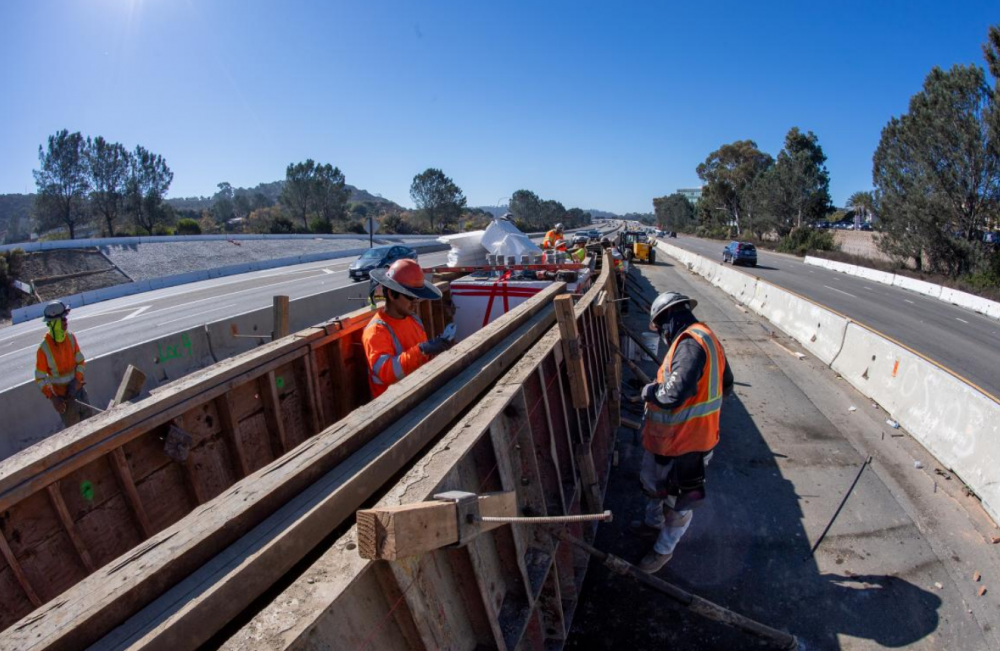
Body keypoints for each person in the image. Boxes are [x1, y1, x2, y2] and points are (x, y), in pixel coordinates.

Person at [630, 292, 733, 573]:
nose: (662, 335)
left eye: (661, 328)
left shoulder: (690, 344)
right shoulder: (707, 337)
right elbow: (727, 385)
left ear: (669, 318)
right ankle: (653, 527)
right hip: (669, 440)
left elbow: (674, 393)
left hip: (687, 444)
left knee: (678, 503)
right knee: (653, 486)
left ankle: (663, 551)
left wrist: (651, 391)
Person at [362, 259, 456, 399]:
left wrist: (435, 349)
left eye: (417, 297)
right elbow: (386, 373)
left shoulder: (413, 318)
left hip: (416, 392)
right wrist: (423, 349)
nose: (415, 302)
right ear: (391, 295)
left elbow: (419, 359)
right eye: (410, 297)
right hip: (391, 405)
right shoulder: (376, 331)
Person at [35, 301, 94, 428]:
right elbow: (40, 378)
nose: (66, 320)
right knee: (75, 435)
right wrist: (53, 398)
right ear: (54, 322)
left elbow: (80, 362)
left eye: (66, 317)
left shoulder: (71, 338)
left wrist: (77, 380)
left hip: (80, 392)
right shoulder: (43, 349)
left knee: (92, 427)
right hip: (64, 401)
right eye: (62, 318)